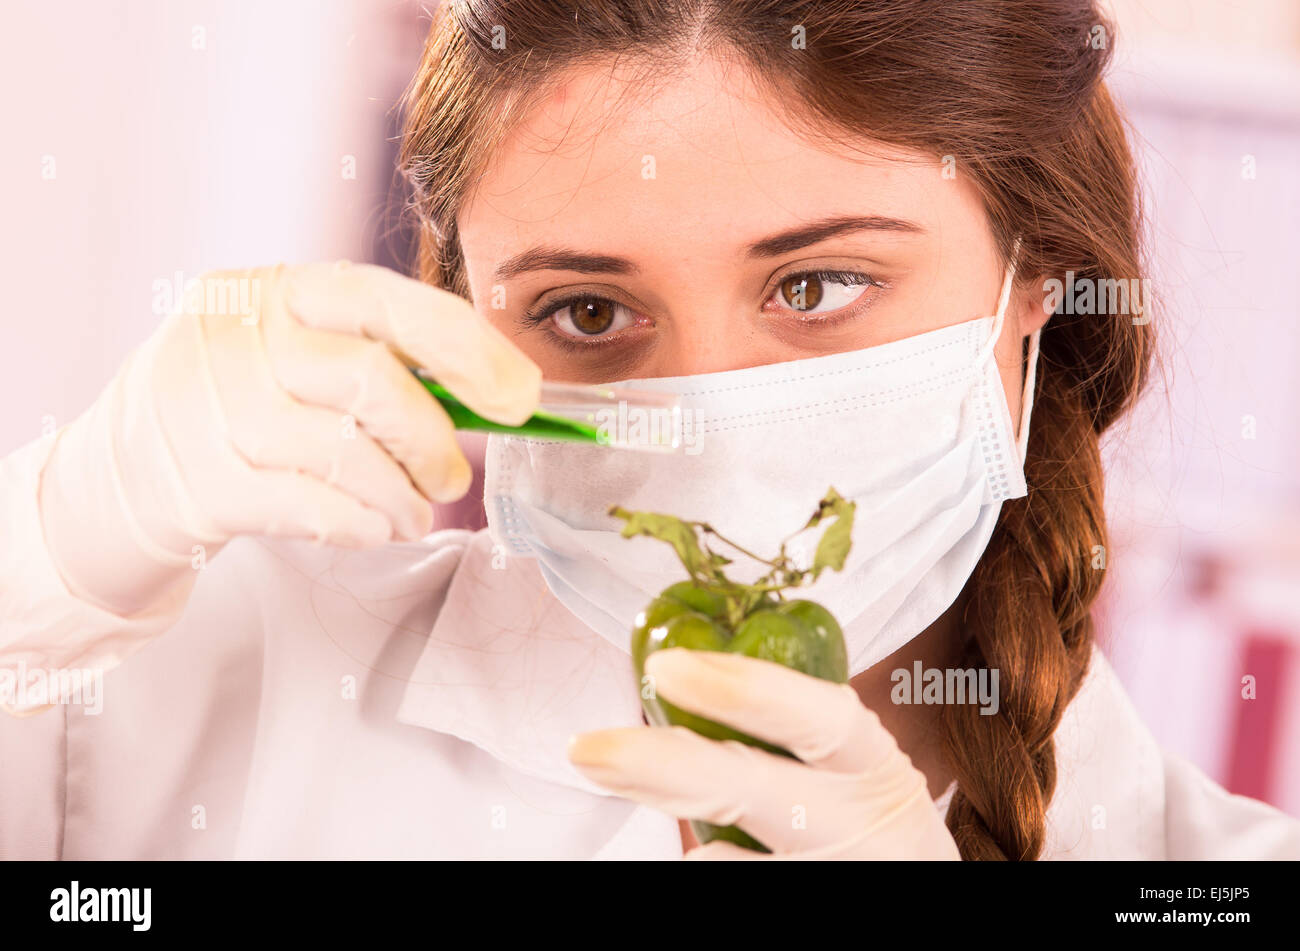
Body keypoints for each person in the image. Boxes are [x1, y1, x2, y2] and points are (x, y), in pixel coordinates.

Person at [2, 0, 1297, 860]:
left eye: (816, 286)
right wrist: (57, 550)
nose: (711, 428)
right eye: (585, 308)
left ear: (1035, 280)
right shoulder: (210, 687)